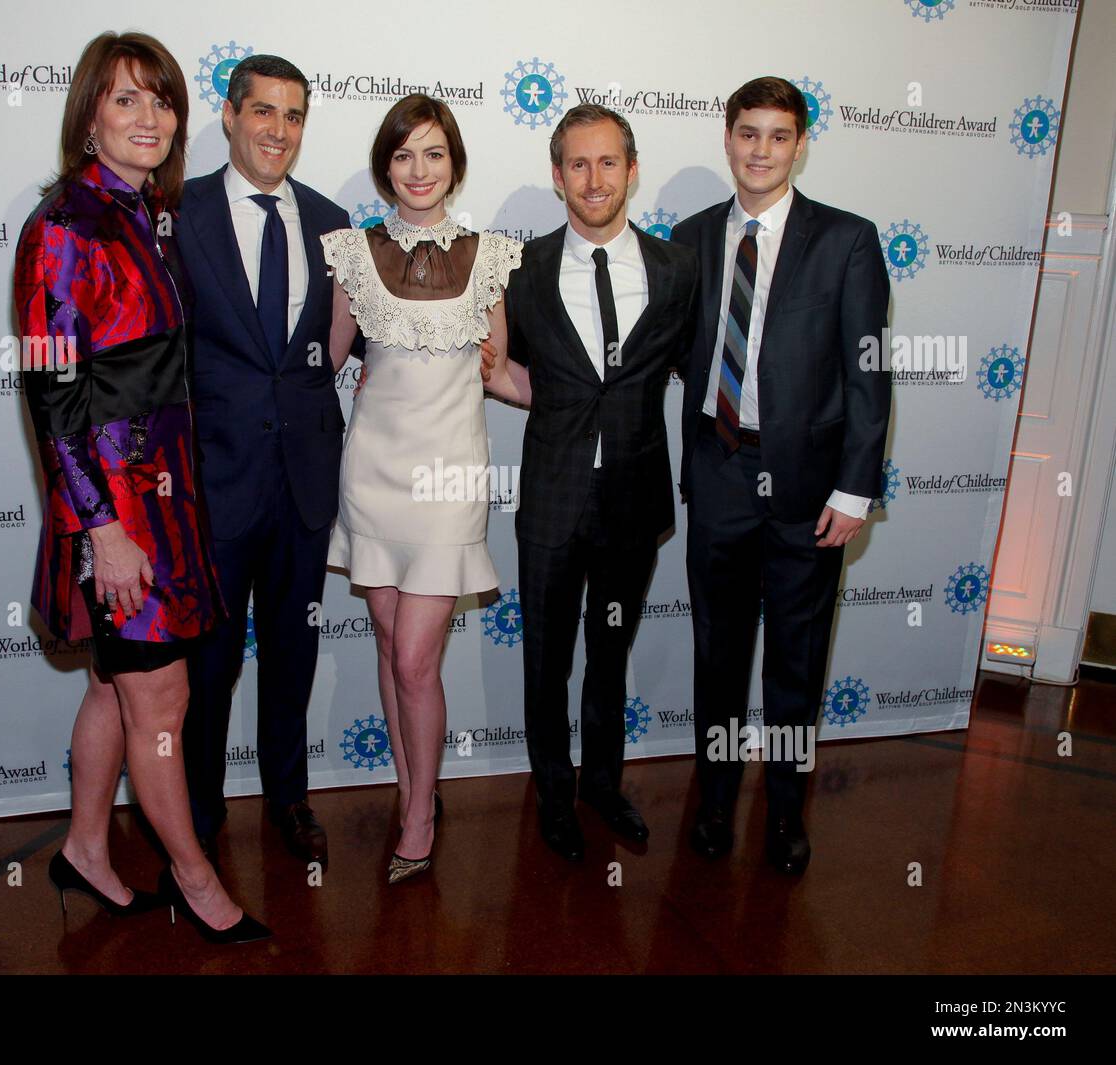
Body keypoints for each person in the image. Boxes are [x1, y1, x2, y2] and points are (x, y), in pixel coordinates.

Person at [15, 31, 269, 943]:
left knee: (111, 688)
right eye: (126, 98)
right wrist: (103, 530)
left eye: (161, 99)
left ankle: (87, 847)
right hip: (117, 510)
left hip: (166, 498)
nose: (149, 116)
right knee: (160, 700)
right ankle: (197, 881)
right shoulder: (63, 228)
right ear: (89, 118)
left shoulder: (145, 213)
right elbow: (53, 395)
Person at [670, 76, 891, 875]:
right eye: (748, 133)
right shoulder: (690, 237)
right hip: (720, 467)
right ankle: (716, 800)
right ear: (727, 138)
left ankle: (789, 810)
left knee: (796, 660)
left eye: (778, 135)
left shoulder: (847, 240)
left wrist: (855, 488)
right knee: (718, 654)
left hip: (809, 485)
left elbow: (869, 372)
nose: (760, 150)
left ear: (800, 145)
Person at [323, 94, 528, 883]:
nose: (419, 169)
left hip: (450, 478)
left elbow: (497, 369)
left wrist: (590, 400)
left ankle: (418, 813)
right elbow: (329, 358)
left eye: (434, 153)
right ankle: (414, 784)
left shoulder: (490, 257)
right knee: (387, 641)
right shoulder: (353, 253)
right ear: (386, 167)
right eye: (404, 154)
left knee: (414, 657)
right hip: (372, 473)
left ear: (455, 164)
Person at [496, 104, 699, 862]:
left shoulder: (678, 269)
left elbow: (693, 367)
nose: (593, 179)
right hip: (553, 497)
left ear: (632, 170)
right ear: (557, 176)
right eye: (577, 164)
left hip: (633, 499)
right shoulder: (519, 269)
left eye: (608, 162)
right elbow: (498, 366)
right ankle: (554, 795)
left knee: (610, 652)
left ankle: (603, 787)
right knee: (545, 659)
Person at [177, 55, 360, 870]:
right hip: (211, 483)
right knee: (208, 664)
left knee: (293, 651)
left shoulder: (330, 220)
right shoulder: (178, 212)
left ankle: (289, 796)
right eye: (263, 111)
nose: (278, 130)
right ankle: (199, 810)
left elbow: (332, 346)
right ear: (229, 115)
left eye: (293, 116)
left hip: (303, 482)